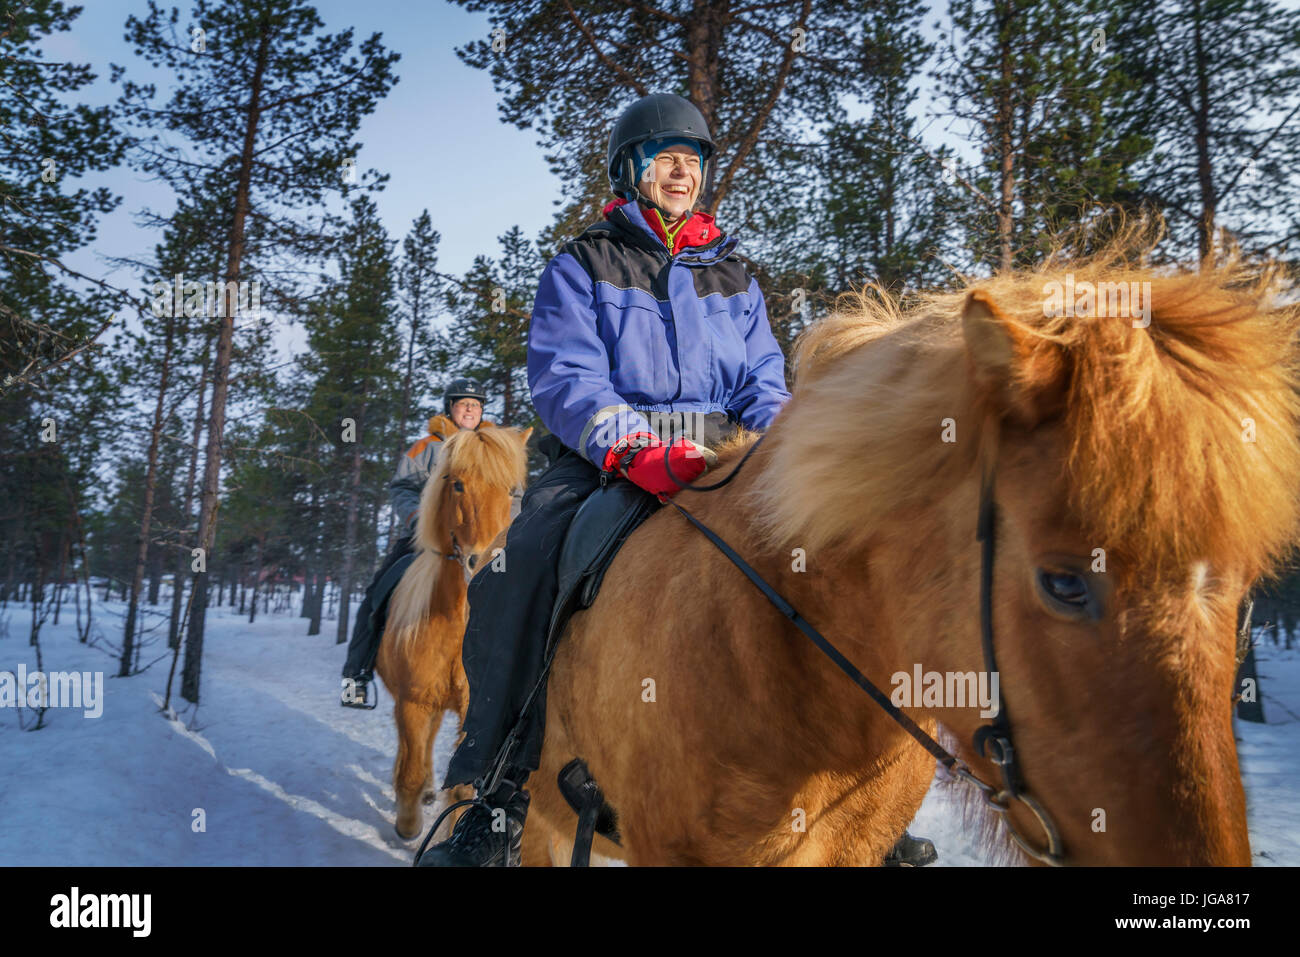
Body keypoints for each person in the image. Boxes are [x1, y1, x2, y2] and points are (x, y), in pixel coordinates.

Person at [420, 94, 935, 867]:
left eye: (691, 161)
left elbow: (763, 377)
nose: (680, 171)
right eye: (664, 158)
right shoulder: (584, 263)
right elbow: (567, 378)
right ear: (631, 170)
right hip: (606, 461)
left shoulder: (732, 273)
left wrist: (777, 443)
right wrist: (634, 446)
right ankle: (494, 793)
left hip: (728, 457)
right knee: (515, 564)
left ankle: (866, 801)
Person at [340, 378, 494, 708]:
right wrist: (416, 520)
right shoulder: (426, 447)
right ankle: (357, 676)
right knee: (377, 594)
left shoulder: (493, 449)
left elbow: (513, 494)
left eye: (476, 404)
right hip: (425, 541)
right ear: (449, 408)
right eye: (463, 403)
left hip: (481, 541)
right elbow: (402, 488)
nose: (470, 409)